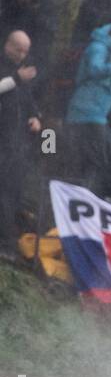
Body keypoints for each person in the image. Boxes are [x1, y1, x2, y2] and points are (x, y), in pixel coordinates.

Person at [66, 22, 111, 196]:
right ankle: (85, 198)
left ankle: (92, 198)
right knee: (95, 161)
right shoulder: (98, 47)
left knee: (105, 159)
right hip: (86, 113)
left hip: (98, 115)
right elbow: (94, 69)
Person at [0, 30, 41, 249]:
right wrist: (16, 79)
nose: (21, 54)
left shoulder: (23, 75)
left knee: (11, 191)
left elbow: (29, 102)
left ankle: (6, 239)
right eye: (18, 49)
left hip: (16, 143)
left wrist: (35, 117)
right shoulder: (13, 73)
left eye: (25, 51)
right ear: (8, 45)